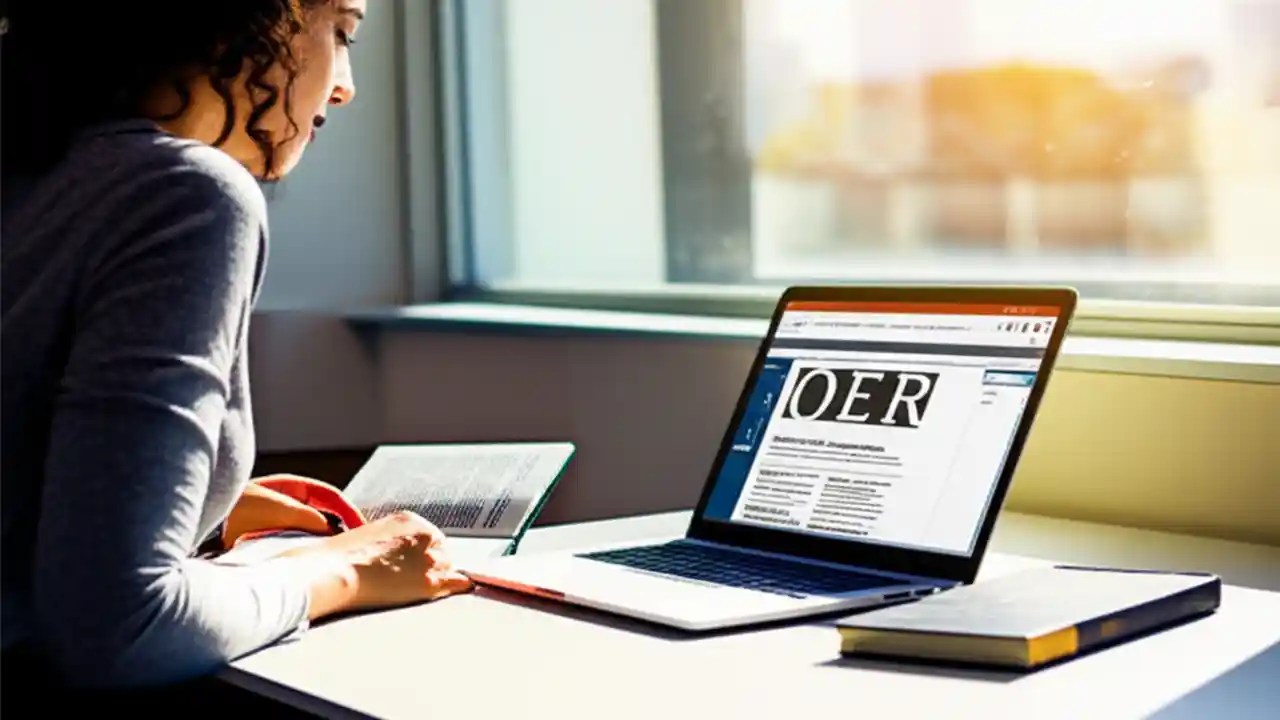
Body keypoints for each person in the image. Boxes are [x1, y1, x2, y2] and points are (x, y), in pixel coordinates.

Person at [0, 0, 473, 694]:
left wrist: (196, 512)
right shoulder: (184, 194)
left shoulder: (35, 170)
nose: (344, 85)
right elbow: (118, 625)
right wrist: (346, 570)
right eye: (341, 31)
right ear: (250, 16)